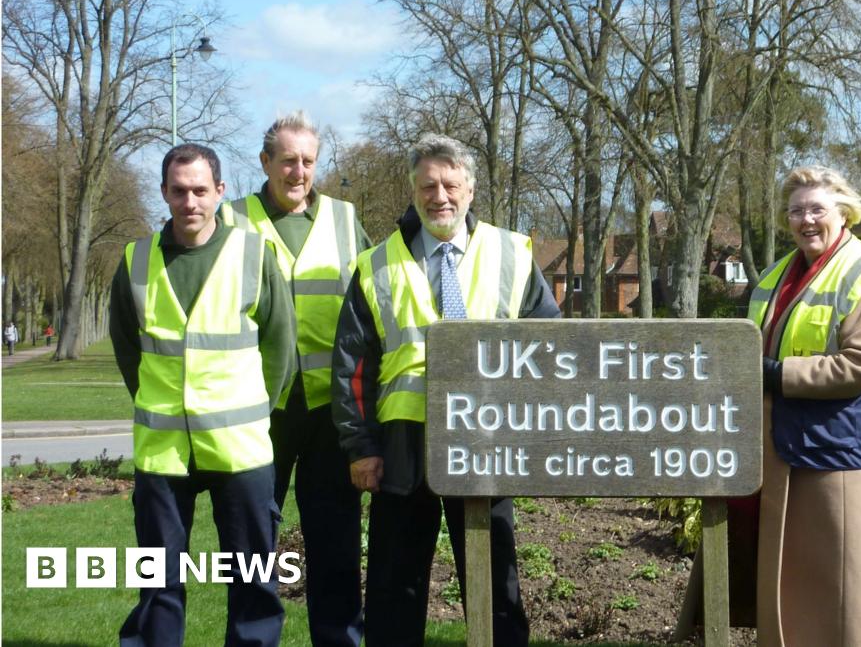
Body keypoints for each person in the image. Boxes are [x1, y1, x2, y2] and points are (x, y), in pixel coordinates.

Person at [331, 133, 559, 646]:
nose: (440, 196)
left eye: (450, 184)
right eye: (428, 185)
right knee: (395, 583)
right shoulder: (375, 265)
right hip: (403, 445)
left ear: (470, 189)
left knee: (495, 578)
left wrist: (536, 437)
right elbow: (352, 368)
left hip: (488, 440)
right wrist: (361, 447)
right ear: (413, 191)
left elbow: (551, 351)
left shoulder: (513, 253)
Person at [109, 143, 296, 647]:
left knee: (253, 579)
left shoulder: (255, 255)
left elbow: (280, 347)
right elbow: (130, 351)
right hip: (164, 453)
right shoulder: (135, 260)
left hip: (240, 449)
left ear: (220, 191)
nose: (189, 201)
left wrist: (255, 410)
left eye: (199, 190)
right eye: (178, 191)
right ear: (164, 193)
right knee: (158, 581)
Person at [222, 111, 372, 647]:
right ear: (265, 162)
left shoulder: (343, 218)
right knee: (252, 540)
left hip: (331, 412)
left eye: (308, 161)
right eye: (288, 160)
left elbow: (370, 303)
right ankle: (252, 639)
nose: (298, 171)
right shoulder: (231, 219)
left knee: (334, 541)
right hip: (259, 409)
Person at [748, 166, 861, 646]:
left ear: (844, 213)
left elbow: (860, 365)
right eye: (797, 210)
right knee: (794, 600)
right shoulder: (778, 273)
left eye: (817, 208)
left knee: (851, 604)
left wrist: (778, 375)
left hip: (841, 457)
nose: (806, 220)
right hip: (784, 453)